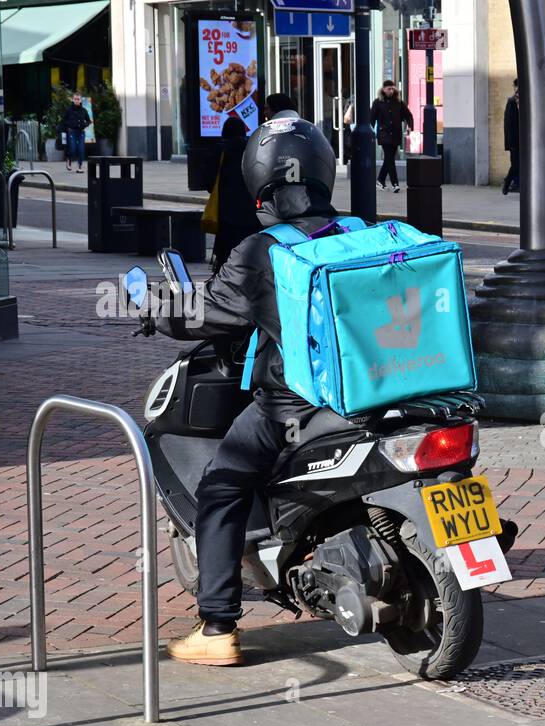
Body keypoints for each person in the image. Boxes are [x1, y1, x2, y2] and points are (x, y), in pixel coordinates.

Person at [157, 118, 342, 666]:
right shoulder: (364, 231)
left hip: (295, 407)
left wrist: (154, 313)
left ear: (258, 182)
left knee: (221, 485)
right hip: (383, 400)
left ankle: (216, 628)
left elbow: (208, 315)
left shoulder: (262, 248)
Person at [210, 116, 260, 273]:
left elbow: (209, 179)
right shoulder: (252, 148)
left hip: (227, 209)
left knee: (225, 250)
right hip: (250, 209)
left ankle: (223, 277)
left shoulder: (220, 149)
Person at [371, 80, 414, 193]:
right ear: (383, 89)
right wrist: (369, 131)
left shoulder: (399, 102)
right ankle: (395, 183)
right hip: (384, 134)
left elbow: (408, 115)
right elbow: (371, 118)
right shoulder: (377, 102)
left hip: (395, 134)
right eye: (388, 88)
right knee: (390, 158)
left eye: (392, 88)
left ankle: (380, 180)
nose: (391, 90)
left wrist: (409, 126)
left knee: (388, 159)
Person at [59, 92, 91, 173]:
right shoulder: (69, 110)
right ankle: (69, 159)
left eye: (78, 99)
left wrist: (85, 124)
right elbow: (63, 120)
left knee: (81, 149)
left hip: (81, 132)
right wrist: (67, 126)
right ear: (73, 100)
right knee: (73, 149)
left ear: (80, 100)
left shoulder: (84, 110)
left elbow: (88, 120)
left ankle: (79, 167)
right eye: (75, 99)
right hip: (71, 132)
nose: (77, 100)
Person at [503, 78, 521, 195]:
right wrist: (512, 143)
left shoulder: (525, 102)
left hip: (524, 141)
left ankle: (518, 185)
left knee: (522, 166)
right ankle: (507, 182)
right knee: (515, 166)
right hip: (515, 141)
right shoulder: (512, 102)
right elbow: (509, 124)